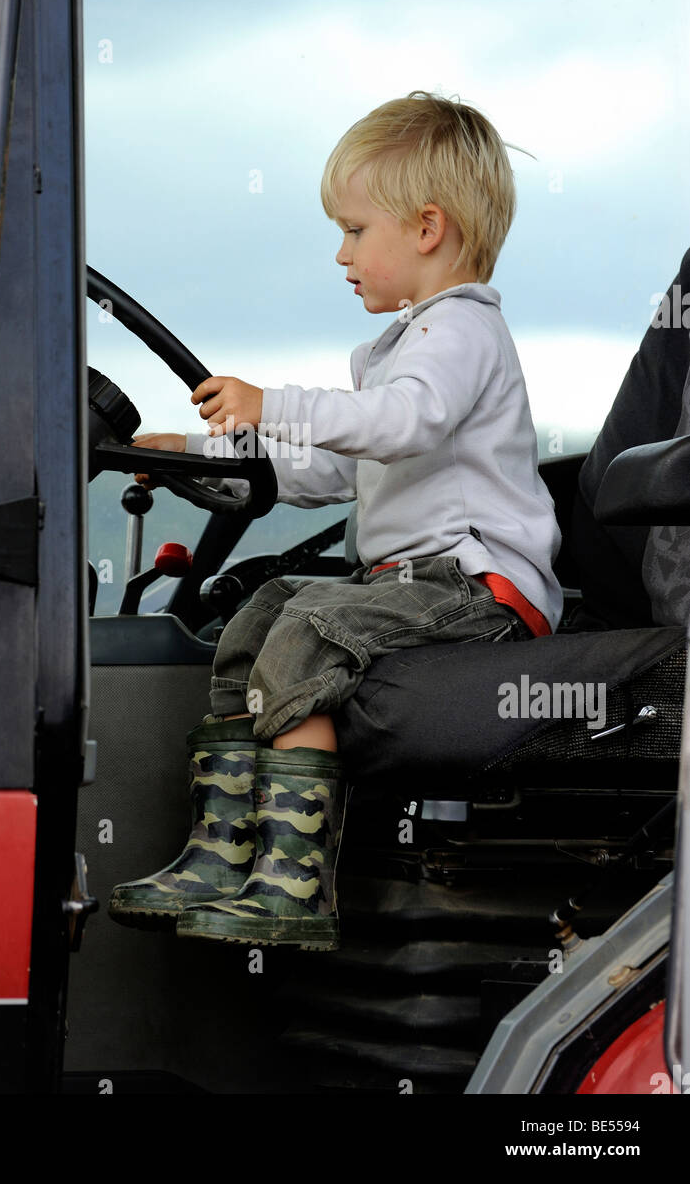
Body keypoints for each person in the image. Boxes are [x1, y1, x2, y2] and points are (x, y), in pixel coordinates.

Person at [108, 90, 562, 951]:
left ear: (426, 229)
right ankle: (223, 851)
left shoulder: (460, 332)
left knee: (313, 623)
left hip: (479, 588)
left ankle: (293, 880)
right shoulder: (400, 348)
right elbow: (335, 470)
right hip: (408, 586)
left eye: (354, 231)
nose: (341, 254)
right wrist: (192, 454)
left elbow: (402, 424)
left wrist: (269, 400)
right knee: (264, 612)